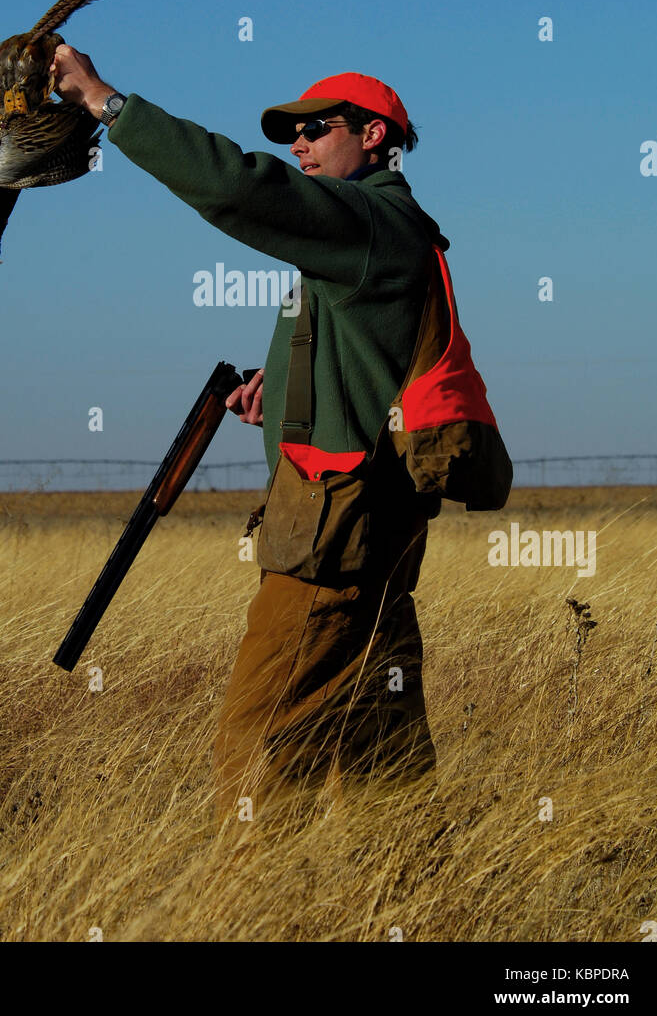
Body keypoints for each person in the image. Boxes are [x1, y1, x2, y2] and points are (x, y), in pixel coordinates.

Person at [52, 46, 449, 821]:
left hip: (330, 541)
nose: (295, 145)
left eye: (316, 128)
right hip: (379, 528)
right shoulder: (394, 231)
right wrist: (293, 389)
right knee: (379, 748)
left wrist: (103, 100)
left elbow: (239, 188)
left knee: (258, 739)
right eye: (289, 133)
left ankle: (254, 913)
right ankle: (414, 905)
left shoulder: (367, 218)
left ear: (374, 137)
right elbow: (377, 364)